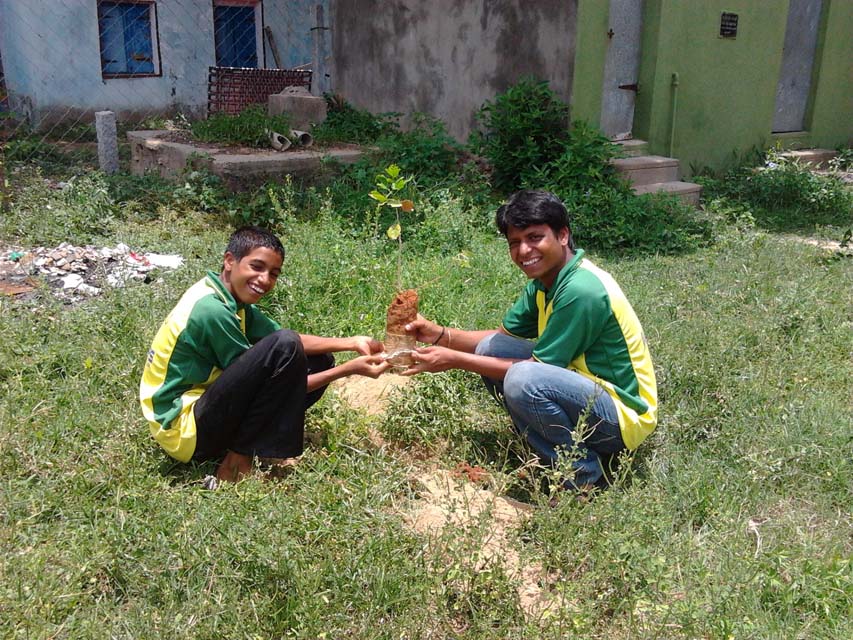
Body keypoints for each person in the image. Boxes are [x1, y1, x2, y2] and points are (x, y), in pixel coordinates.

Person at [402, 190, 658, 493]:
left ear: (562, 236)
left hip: (623, 416)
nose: (524, 251)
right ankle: (550, 448)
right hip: (587, 391)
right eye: (514, 242)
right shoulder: (546, 282)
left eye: (535, 238)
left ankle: (582, 479)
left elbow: (537, 370)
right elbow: (501, 338)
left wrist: (454, 360)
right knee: (491, 349)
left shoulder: (582, 290)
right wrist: (439, 334)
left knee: (524, 379)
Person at [140, 225, 390, 482]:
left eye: (273, 273)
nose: (265, 280)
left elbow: (287, 346)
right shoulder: (211, 311)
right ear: (229, 261)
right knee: (287, 346)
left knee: (318, 360)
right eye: (256, 267)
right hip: (184, 433)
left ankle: (251, 445)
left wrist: (351, 342)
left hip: (201, 412)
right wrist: (348, 370)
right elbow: (268, 378)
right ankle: (237, 459)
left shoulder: (227, 297)